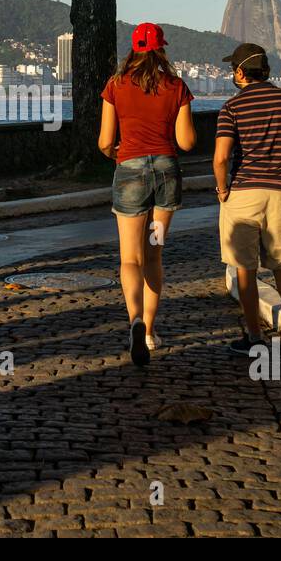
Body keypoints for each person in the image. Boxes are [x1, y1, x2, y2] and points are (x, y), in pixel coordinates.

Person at [98, 22, 197, 366]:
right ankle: (151, 333)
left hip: (129, 173)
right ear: (161, 49)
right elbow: (186, 142)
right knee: (153, 255)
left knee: (129, 259)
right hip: (166, 175)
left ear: (134, 49)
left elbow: (104, 142)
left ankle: (135, 322)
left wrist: (122, 155)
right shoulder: (176, 87)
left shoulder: (115, 85)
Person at [215, 43, 281, 354]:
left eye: (233, 68)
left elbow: (221, 159)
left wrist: (223, 191)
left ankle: (255, 337)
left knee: (244, 268)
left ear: (241, 72)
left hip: (244, 192)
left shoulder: (231, 108)